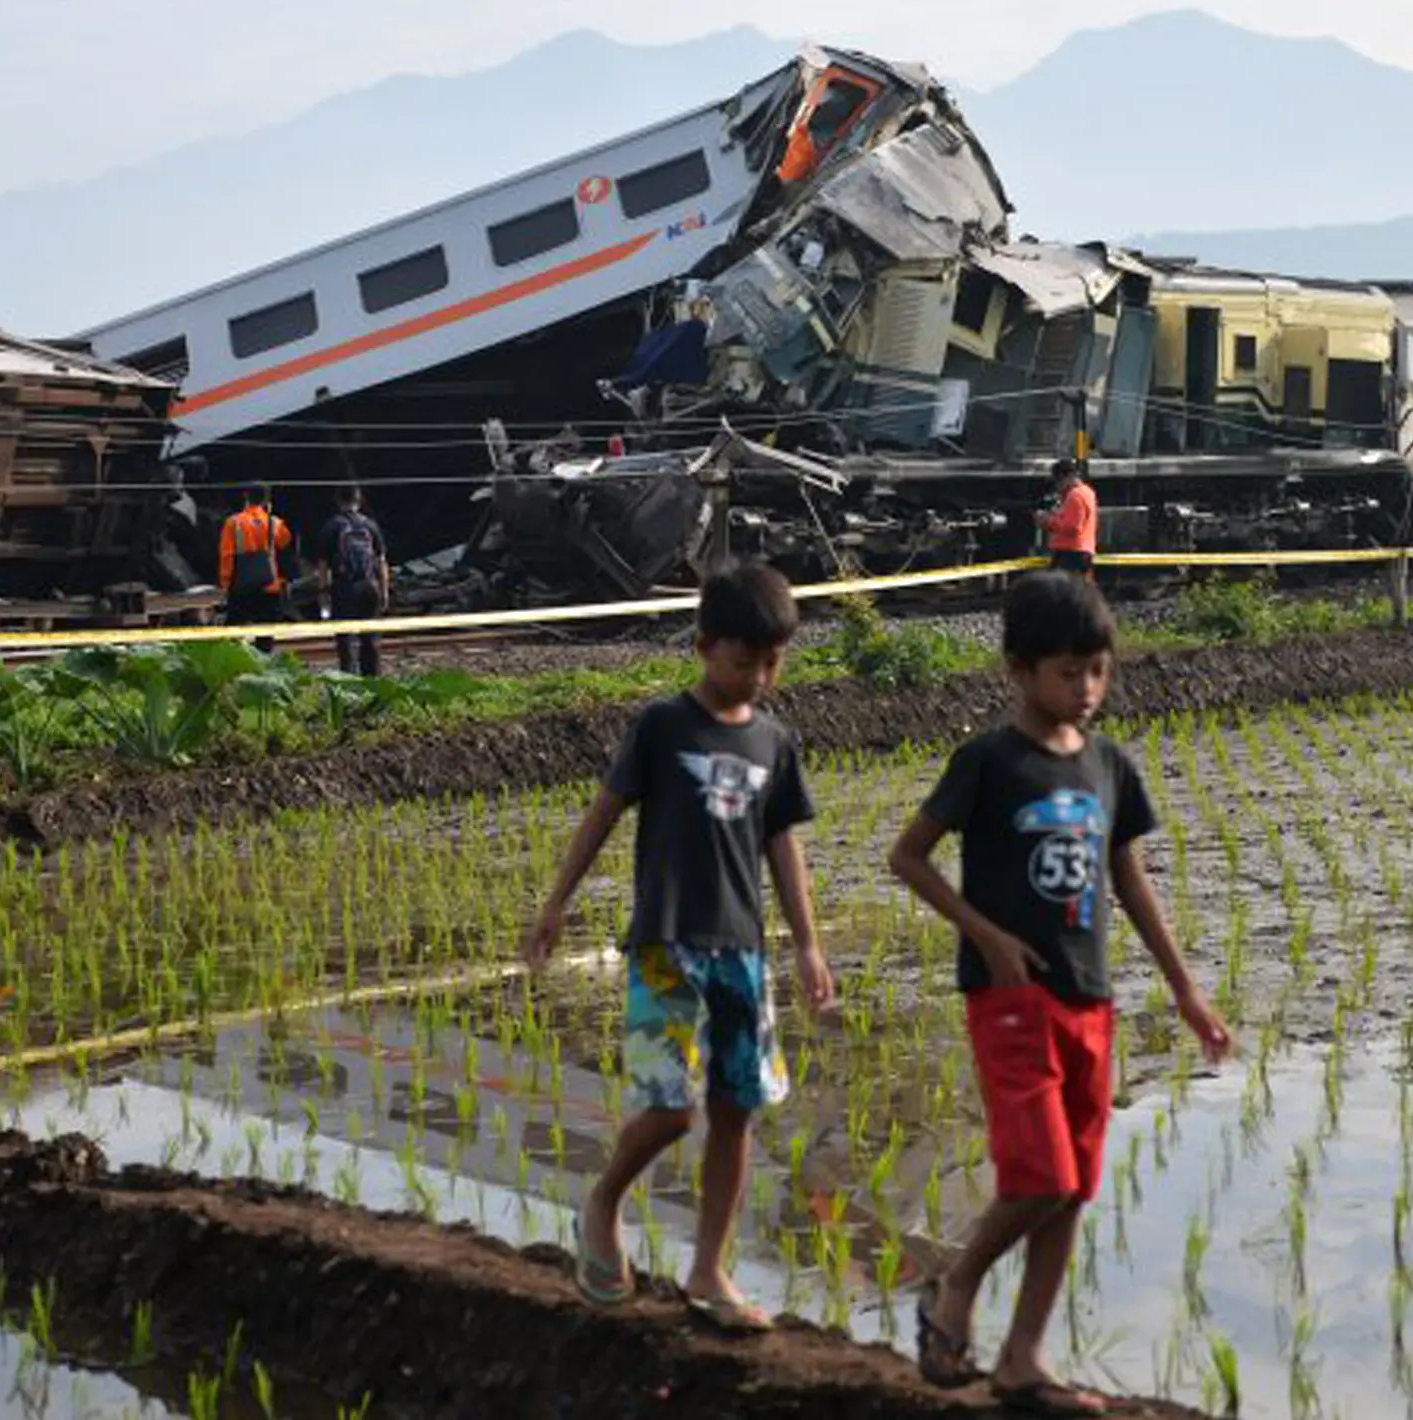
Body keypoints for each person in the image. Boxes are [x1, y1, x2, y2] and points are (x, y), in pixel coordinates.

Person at [887, 572, 1234, 1412]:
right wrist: (985, 932)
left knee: (1074, 1186)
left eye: (1097, 672)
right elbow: (908, 857)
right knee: (1039, 1174)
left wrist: (1185, 989)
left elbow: (1130, 878)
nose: (1085, 690)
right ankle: (953, 1288)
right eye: (1067, 672)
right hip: (1009, 998)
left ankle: (1021, 1358)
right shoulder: (988, 763)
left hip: (1090, 997)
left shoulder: (1109, 766)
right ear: (1017, 669)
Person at [521, 562, 836, 1333]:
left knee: (737, 1113)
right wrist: (557, 902)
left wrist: (807, 944)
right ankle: (602, 1205)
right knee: (668, 1112)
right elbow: (604, 812)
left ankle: (708, 1270)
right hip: (666, 945)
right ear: (702, 647)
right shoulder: (663, 727)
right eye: (742, 661)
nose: (758, 678)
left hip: (743, 952)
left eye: (771, 662)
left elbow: (781, 845)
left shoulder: (774, 740)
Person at [313, 485, 391, 676]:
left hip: (343, 587)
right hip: (368, 585)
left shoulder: (331, 526)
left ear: (338, 500)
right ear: (359, 499)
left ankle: (348, 679)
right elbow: (381, 561)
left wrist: (323, 592)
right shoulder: (370, 525)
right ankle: (372, 679)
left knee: (345, 638)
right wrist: (384, 590)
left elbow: (322, 565)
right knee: (370, 637)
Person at [219, 483, 294, 653]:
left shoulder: (233, 523)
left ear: (245, 496)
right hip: (269, 586)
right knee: (265, 637)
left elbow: (227, 557)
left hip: (240, 586)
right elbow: (286, 547)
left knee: (233, 634)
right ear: (267, 499)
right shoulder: (275, 523)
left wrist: (225, 584)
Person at [1039, 462, 1099, 577]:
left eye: (1057, 481)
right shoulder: (1088, 492)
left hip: (1070, 554)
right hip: (1082, 551)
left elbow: (1074, 527)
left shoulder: (1075, 495)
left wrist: (1047, 521)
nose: (1056, 486)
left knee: (1061, 591)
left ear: (1068, 477)